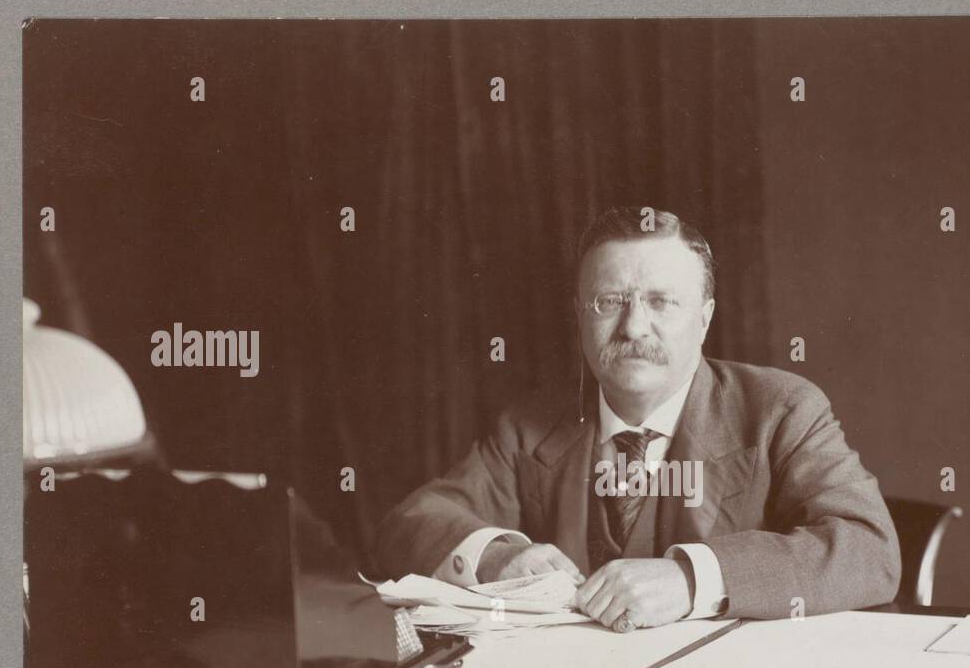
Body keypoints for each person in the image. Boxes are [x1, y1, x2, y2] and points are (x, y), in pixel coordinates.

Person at [378, 207, 900, 631]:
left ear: (705, 318)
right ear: (580, 316)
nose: (633, 327)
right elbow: (413, 523)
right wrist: (495, 557)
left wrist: (692, 579)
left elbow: (868, 549)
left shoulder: (780, 409)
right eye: (610, 302)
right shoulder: (529, 424)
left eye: (661, 302)